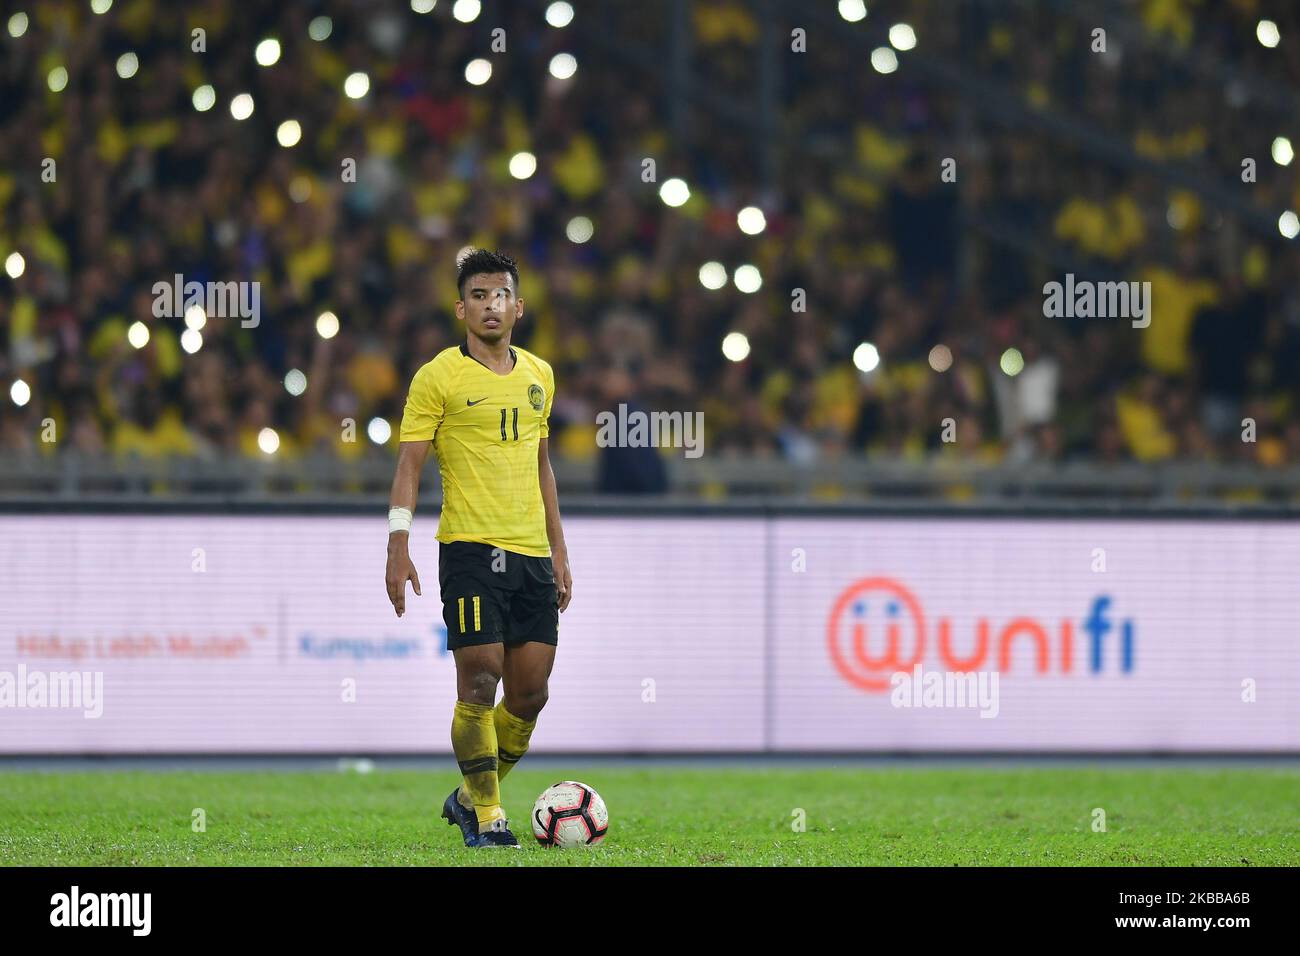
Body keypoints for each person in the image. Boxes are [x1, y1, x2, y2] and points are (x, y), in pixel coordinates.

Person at [384, 248, 573, 848]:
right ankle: (490, 817)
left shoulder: (540, 374)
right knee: (479, 679)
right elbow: (410, 464)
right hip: (468, 549)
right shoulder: (437, 375)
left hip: (532, 553)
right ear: (460, 307)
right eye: (478, 296)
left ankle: (467, 795)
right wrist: (397, 542)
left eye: (500, 295)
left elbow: (544, 468)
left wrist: (560, 551)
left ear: (519, 307)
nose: (490, 305)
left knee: (530, 693)